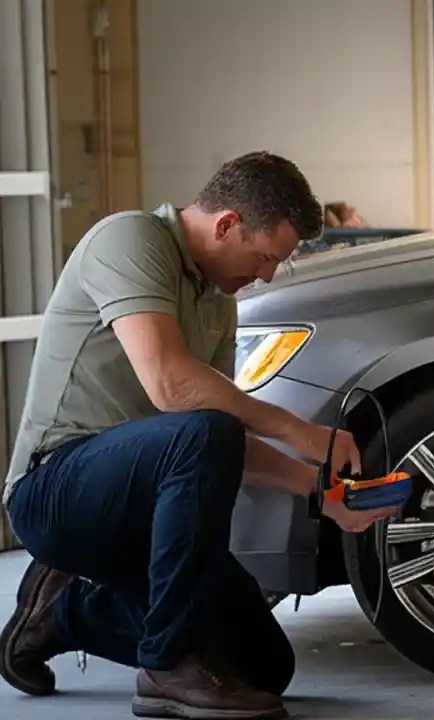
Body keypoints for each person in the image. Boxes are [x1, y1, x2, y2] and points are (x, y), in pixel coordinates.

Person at [0, 151, 395, 719]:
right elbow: (170, 386)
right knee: (202, 429)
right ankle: (165, 666)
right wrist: (300, 431)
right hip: (55, 490)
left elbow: (222, 438)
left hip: (143, 512)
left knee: (262, 665)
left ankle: (62, 614)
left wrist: (323, 493)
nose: (263, 275)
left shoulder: (217, 302)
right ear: (227, 223)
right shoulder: (128, 239)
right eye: (263, 258)